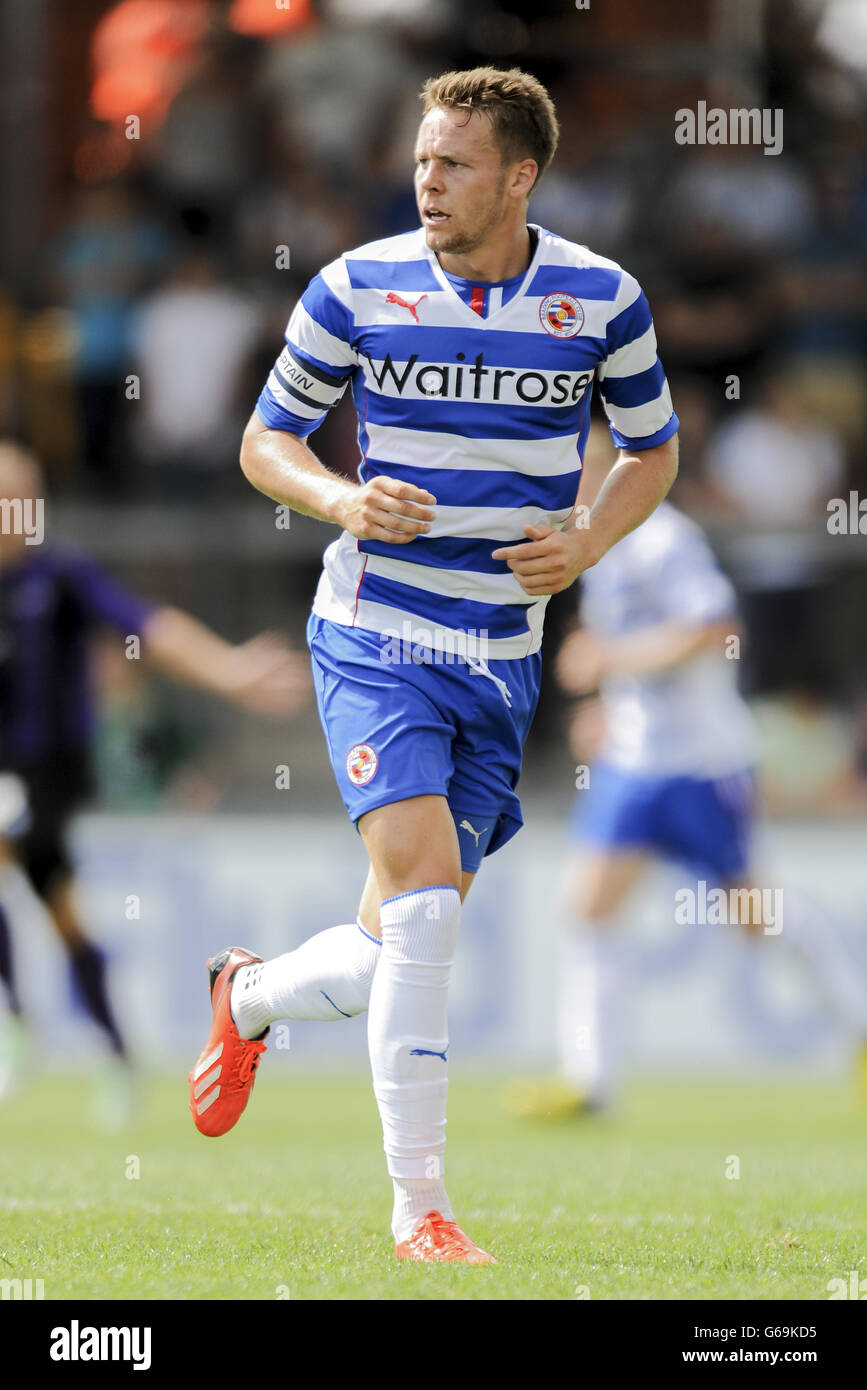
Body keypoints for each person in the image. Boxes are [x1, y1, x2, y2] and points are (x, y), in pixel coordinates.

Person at [187, 66, 679, 1264]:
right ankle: (421, 1212)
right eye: (422, 158)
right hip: (376, 631)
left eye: (454, 163)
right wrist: (343, 500)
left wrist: (590, 537)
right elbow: (266, 442)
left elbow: (653, 452)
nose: (427, 179)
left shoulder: (601, 299)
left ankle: (246, 999)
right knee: (418, 906)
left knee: (407, 935)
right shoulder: (356, 285)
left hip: (500, 654)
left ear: (521, 175)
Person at [509, 428, 867, 1120]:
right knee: (587, 908)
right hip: (635, 765)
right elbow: (647, 656)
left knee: (755, 918)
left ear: (611, 470)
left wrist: (610, 662)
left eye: (575, 466)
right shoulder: (598, 550)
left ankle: (859, 1029)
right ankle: (589, 1082)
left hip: (701, 763)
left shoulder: (661, 538)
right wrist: (610, 712)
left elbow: (713, 628)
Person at [0, 441, 310, 1122]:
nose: (15, 512)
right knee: (61, 914)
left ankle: (45, 1031)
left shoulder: (60, 575)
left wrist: (229, 669)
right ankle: (91, 1046)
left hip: (49, 771)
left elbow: (149, 626)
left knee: (25, 861)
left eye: (24, 496)